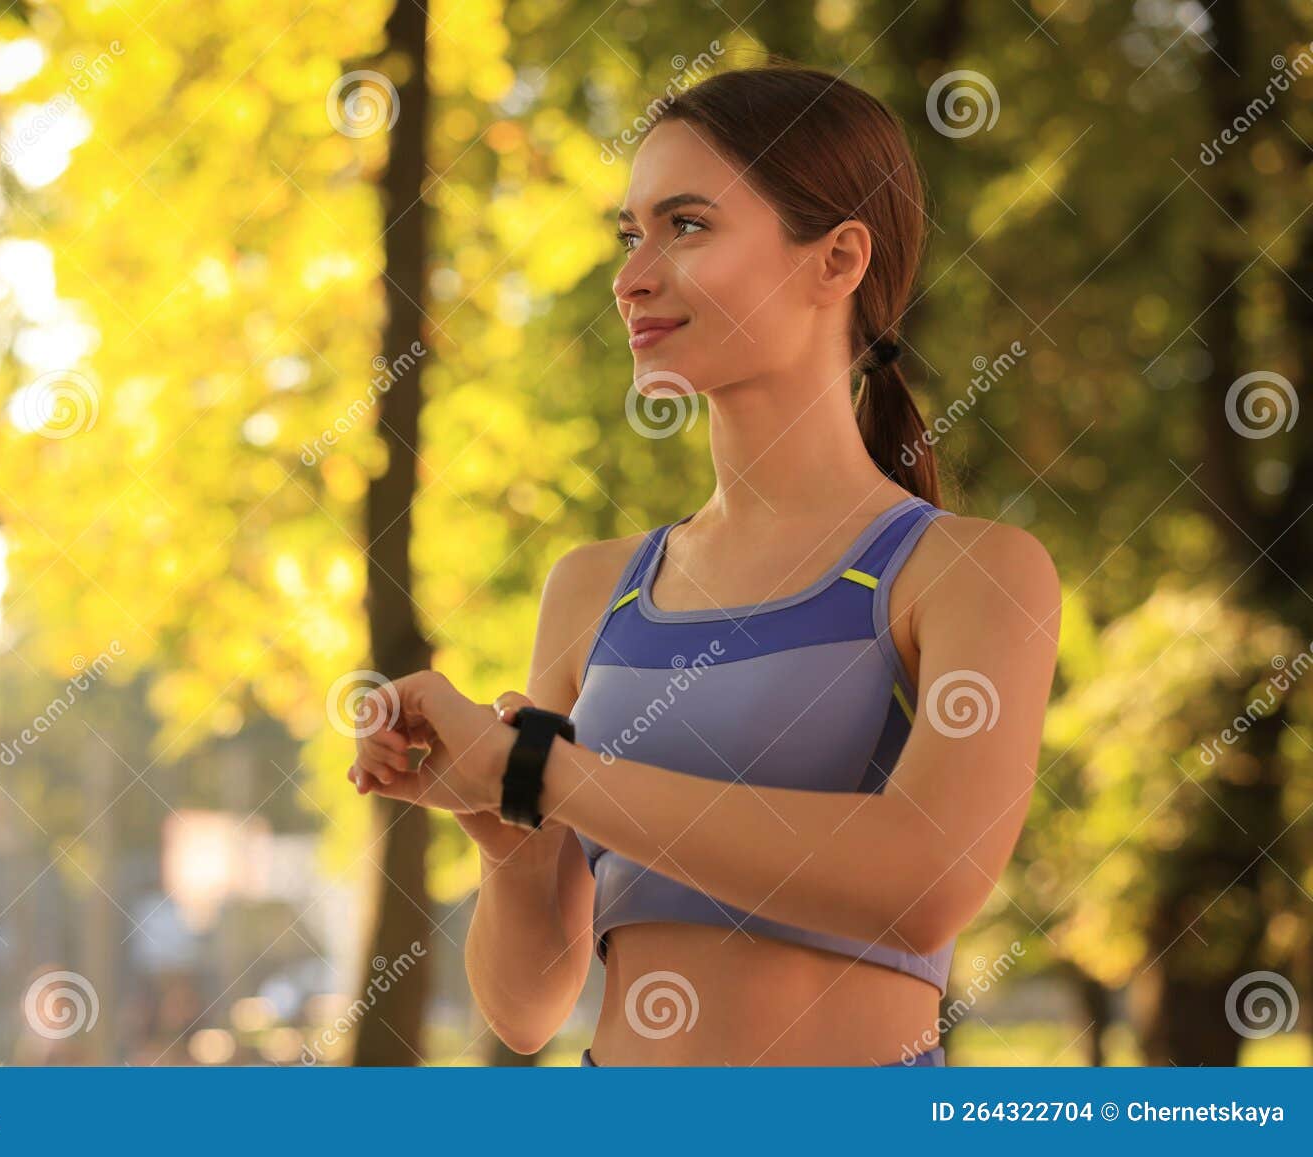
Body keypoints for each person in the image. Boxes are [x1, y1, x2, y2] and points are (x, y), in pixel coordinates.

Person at [345, 59, 1060, 1067]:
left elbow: (921, 884)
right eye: (630, 233)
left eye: (687, 225)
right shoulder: (591, 587)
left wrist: (543, 771)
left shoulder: (971, 572)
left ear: (837, 259)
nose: (632, 275)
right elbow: (526, 1006)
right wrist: (507, 828)